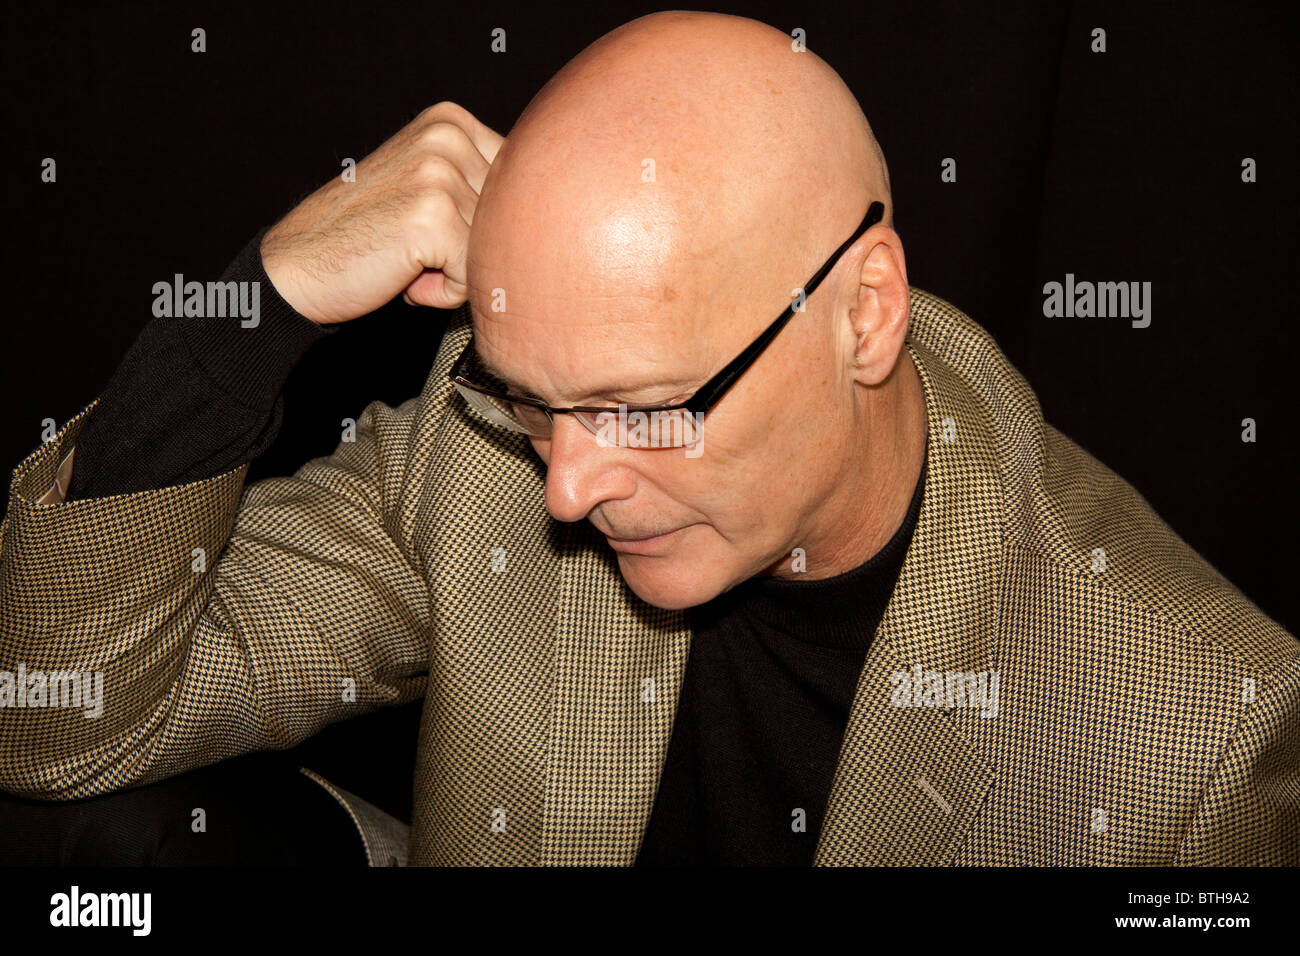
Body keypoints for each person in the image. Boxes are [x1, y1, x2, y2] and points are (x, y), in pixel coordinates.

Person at [1, 10, 1296, 866]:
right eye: (533, 399)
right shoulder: (486, 455)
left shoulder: (1193, 738)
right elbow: (55, 720)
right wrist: (253, 311)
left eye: (642, 407)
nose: (566, 486)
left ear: (865, 313)